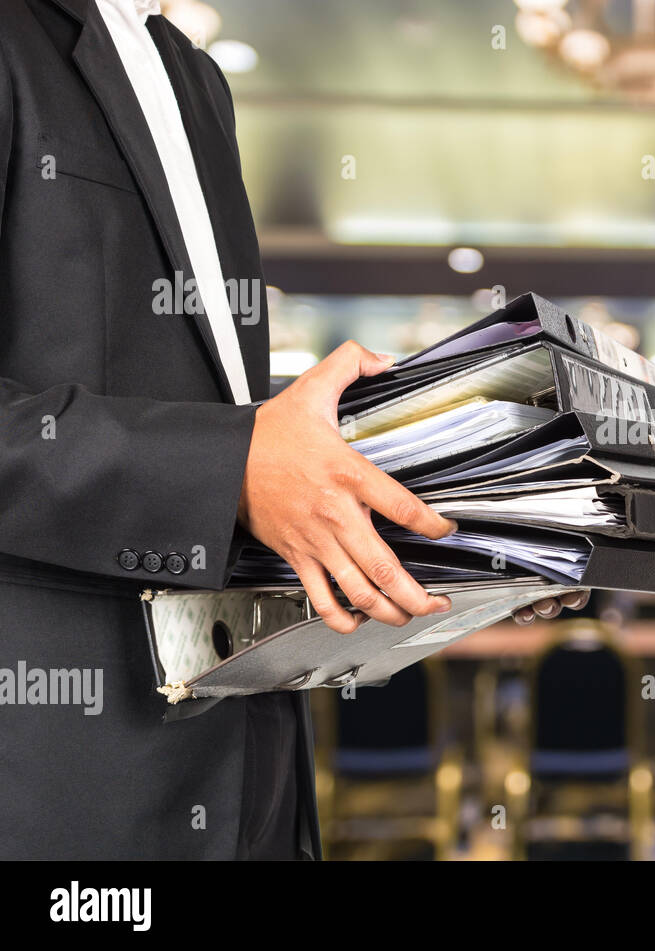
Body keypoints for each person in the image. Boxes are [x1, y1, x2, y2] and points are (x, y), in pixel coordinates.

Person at [0, 0, 583, 859]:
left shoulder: (195, 78)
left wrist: (474, 533)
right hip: (70, 767)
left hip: (252, 741)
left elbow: (226, 428)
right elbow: (225, 457)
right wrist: (228, 465)